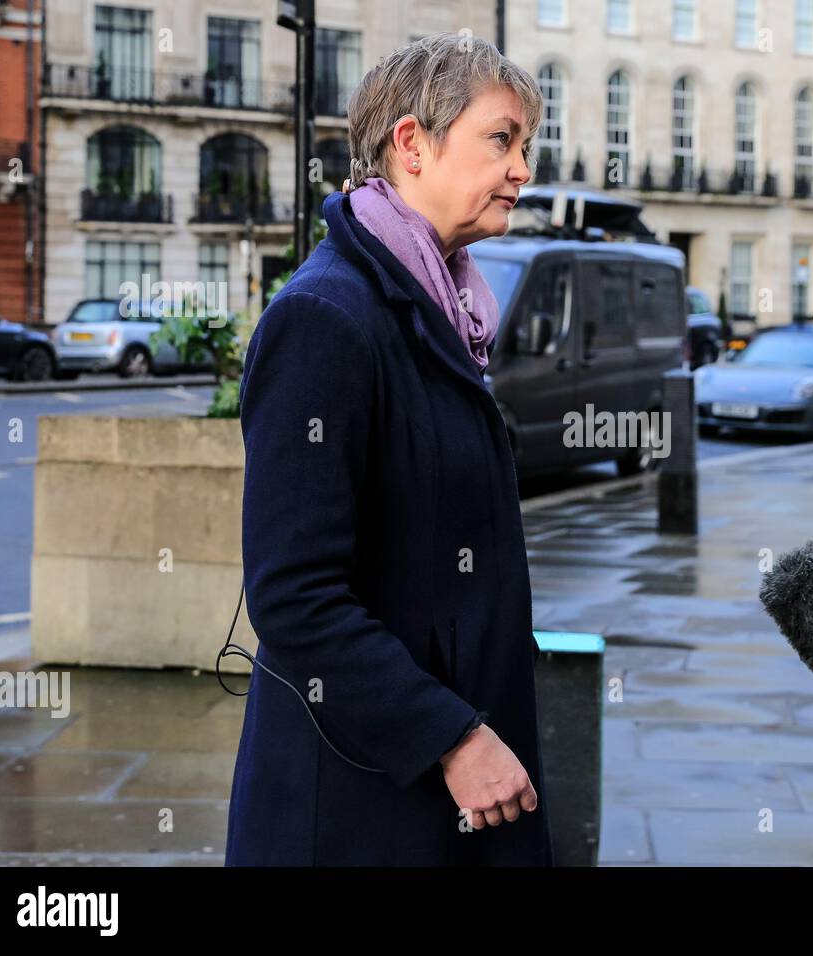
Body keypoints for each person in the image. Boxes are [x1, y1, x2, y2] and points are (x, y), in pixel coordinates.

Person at [225, 32, 552, 866]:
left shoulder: (443, 307)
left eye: (526, 146)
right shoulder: (327, 318)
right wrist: (452, 738)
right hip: (359, 808)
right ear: (412, 144)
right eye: (501, 139)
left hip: (437, 795)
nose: (523, 169)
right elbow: (294, 595)